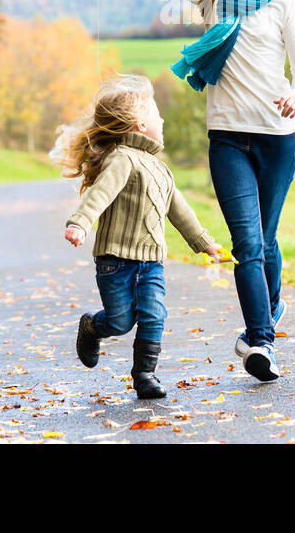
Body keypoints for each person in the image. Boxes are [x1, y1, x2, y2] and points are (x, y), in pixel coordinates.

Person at [112, 0, 295, 382]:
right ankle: (262, 343)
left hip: (277, 140)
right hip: (227, 138)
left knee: (266, 240)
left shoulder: (283, 5)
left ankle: (267, 313)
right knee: (247, 243)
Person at [51, 72, 221, 399]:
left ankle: (145, 375)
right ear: (140, 125)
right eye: (156, 113)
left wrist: (205, 243)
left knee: (154, 314)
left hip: (152, 263)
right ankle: (92, 327)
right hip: (116, 261)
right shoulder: (122, 159)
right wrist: (80, 223)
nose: (162, 118)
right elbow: (99, 194)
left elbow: (181, 212)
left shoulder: (161, 169)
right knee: (120, 321)